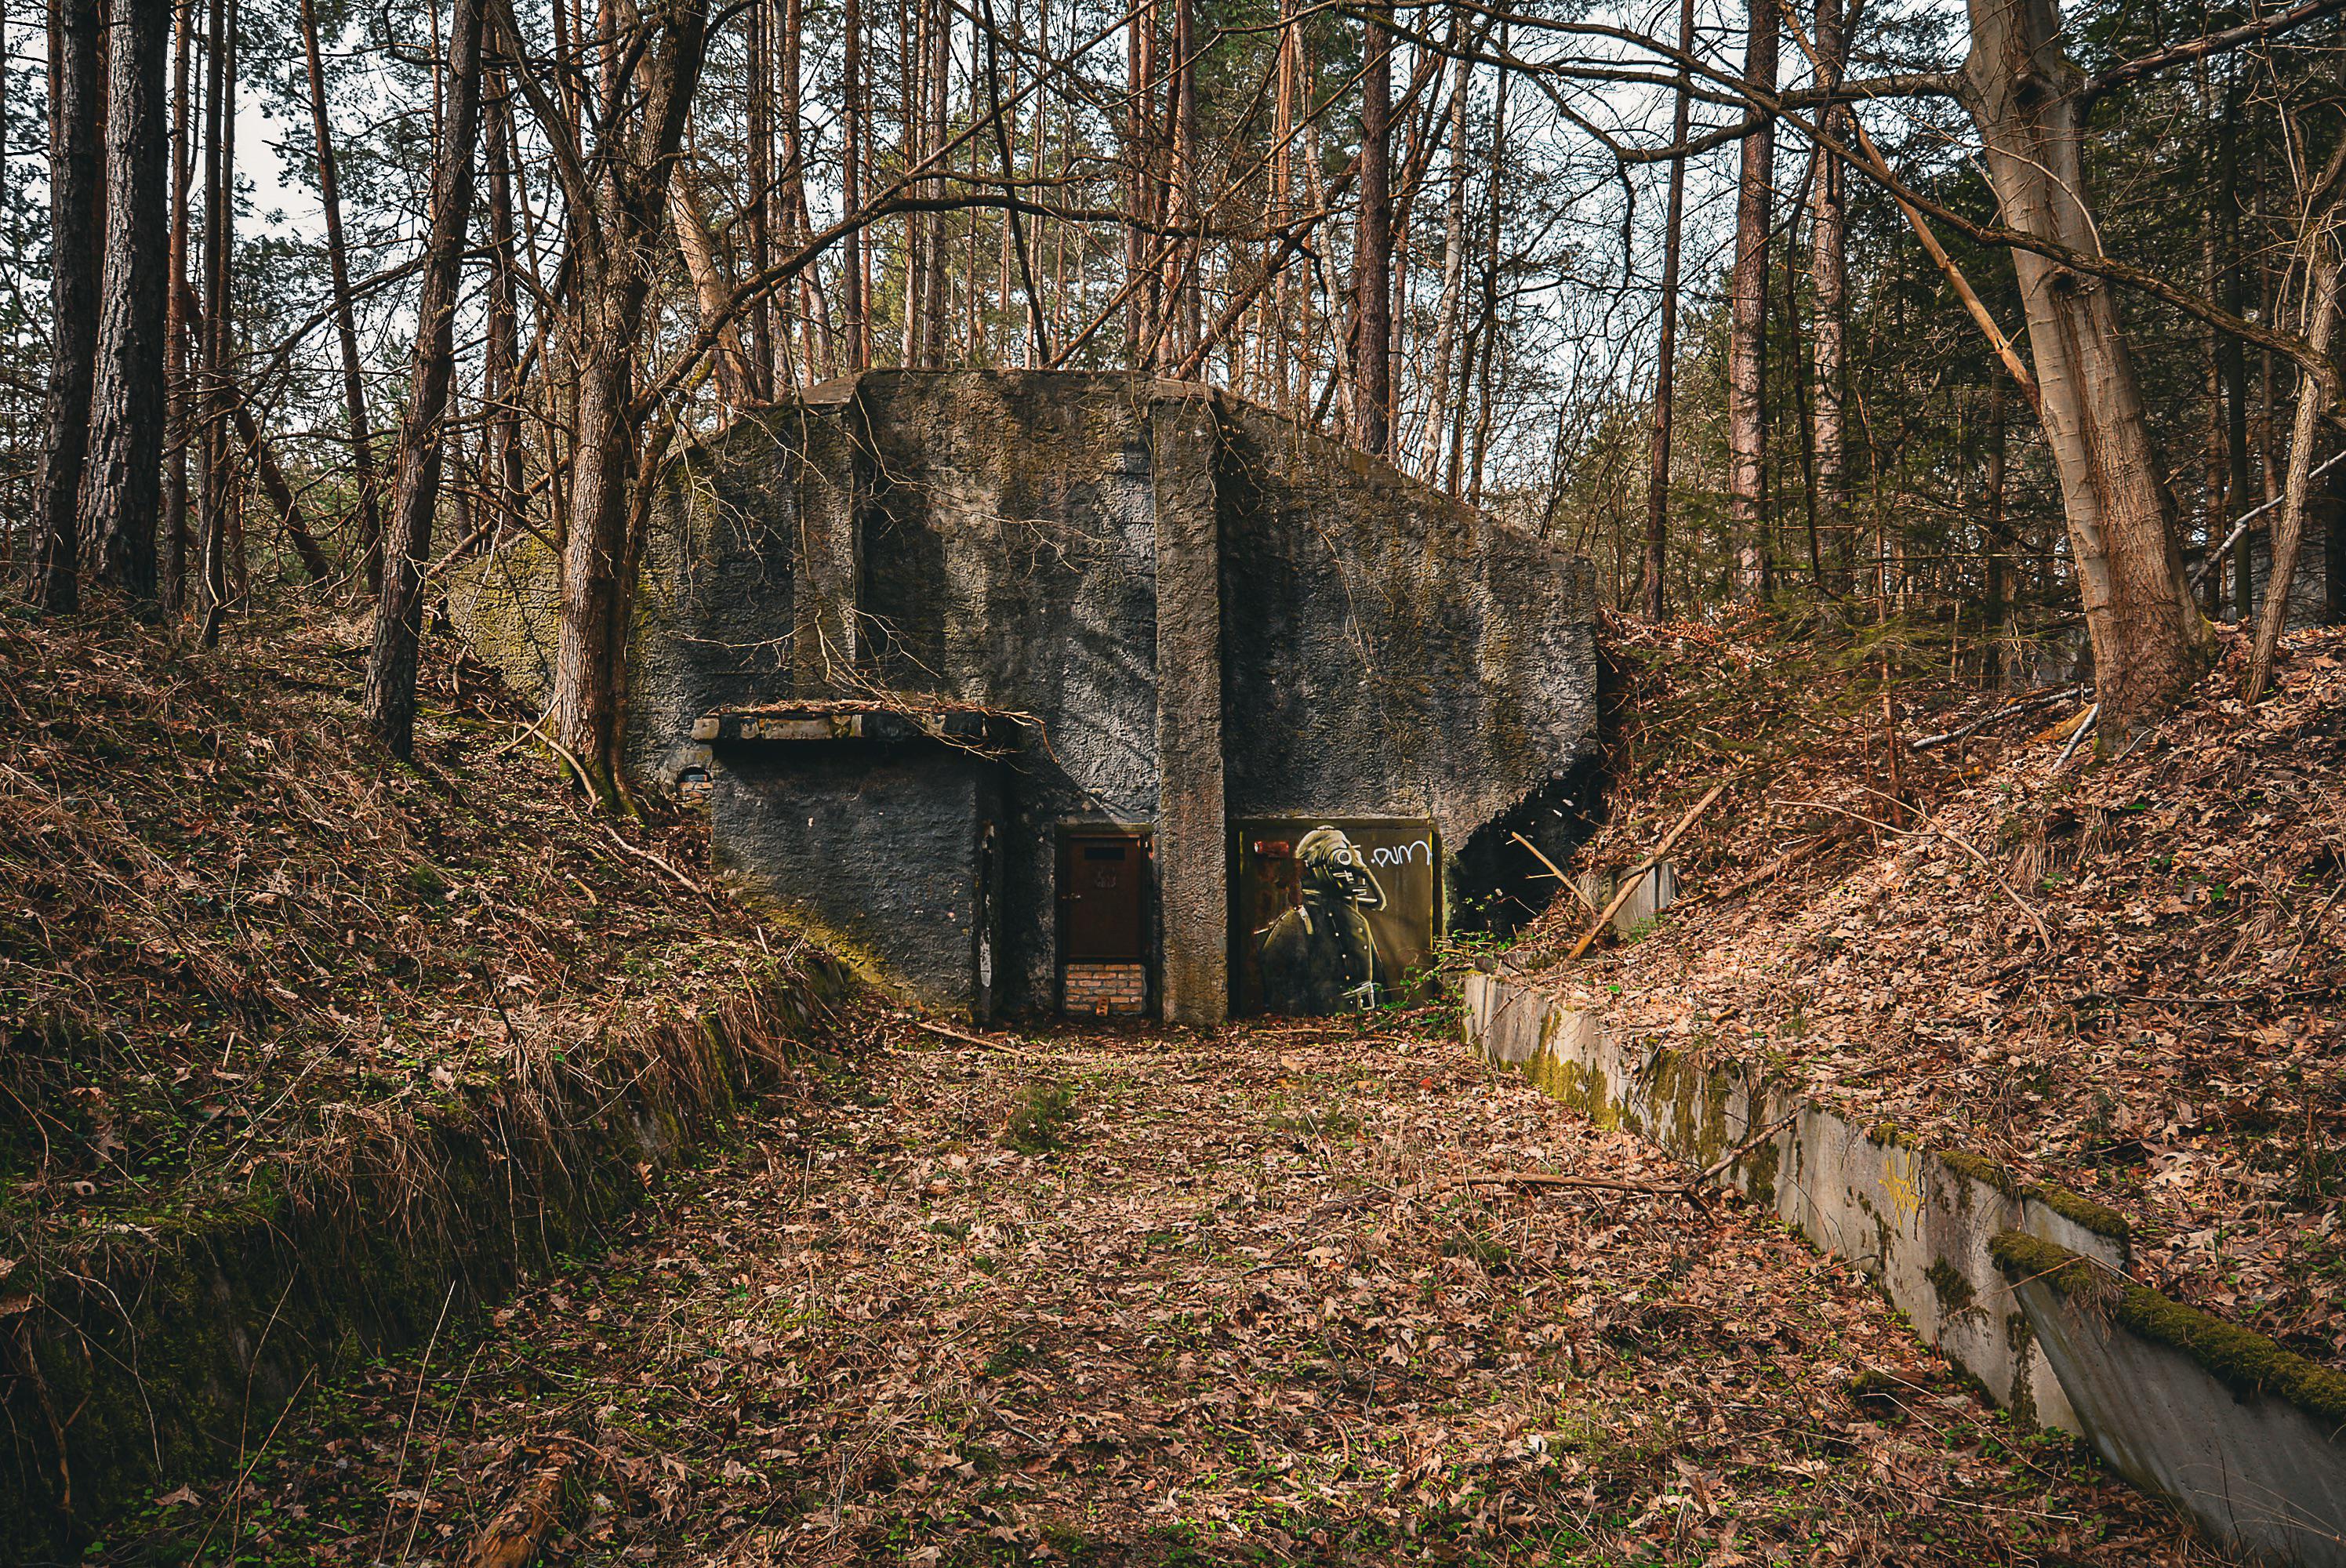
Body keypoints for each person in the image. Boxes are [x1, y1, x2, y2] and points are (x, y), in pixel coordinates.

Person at [1258, 826, 1391, 1013]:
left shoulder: (1354, 920)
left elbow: (1377, 982)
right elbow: (1283, 997)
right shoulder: (1296, 923)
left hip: (1360, 1024)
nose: (1348, 868)